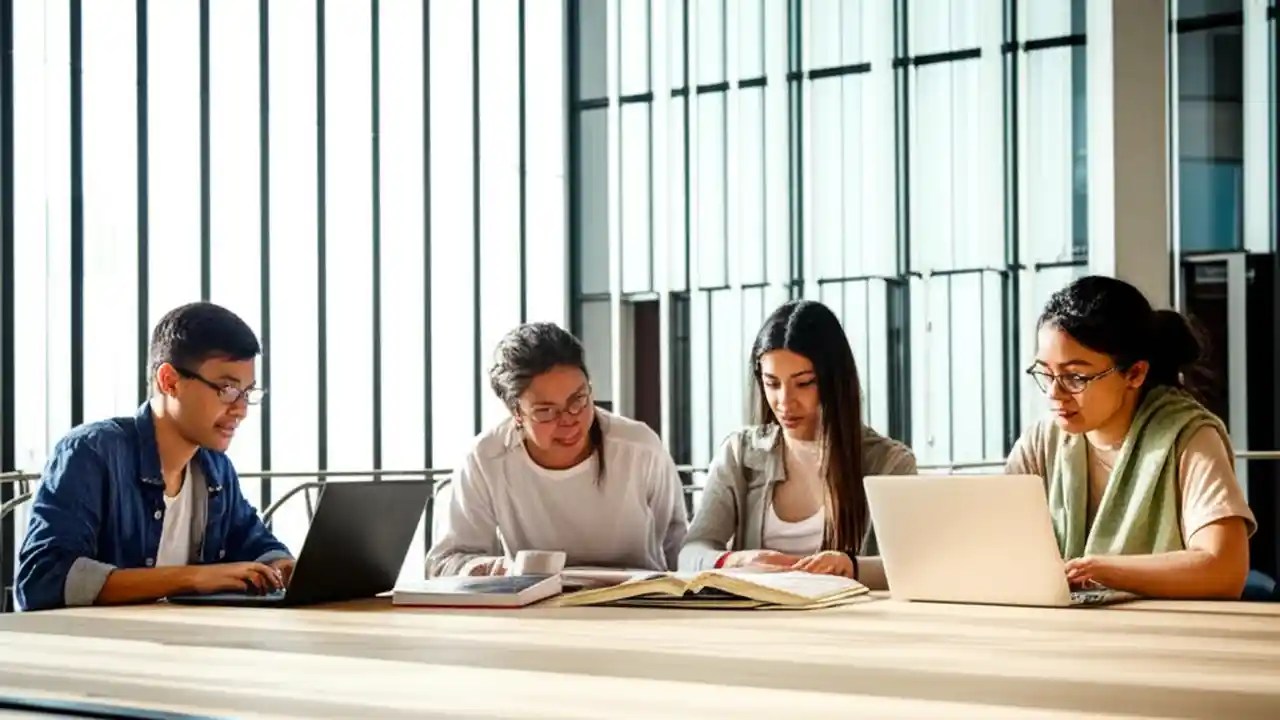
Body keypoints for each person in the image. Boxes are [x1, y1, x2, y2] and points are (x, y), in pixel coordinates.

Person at [16, 303, 292, 611]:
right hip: (95, 649)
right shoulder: (91, 453)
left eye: (248, 393)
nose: (240, 409)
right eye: (227, 389)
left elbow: (254, 543)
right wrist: (192, 578)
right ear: (169, 381)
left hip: (186, 646)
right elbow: (42, 580)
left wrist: (285, 566)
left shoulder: (215, 468)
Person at [1007, 275, 1255, 599]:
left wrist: (1101, 571)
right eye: (1045, 373)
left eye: (1075, 377)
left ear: (1135, 373)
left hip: (1162, 635)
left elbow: (1224, 569)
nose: (1055, 393)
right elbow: (997, 546)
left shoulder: (1187, 438)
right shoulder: (1042, 440)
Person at [679, 299, 916, 587]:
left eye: (804, 383)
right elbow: (690, 555)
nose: (784, 402)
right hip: (757, 621)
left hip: (850, 623)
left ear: (834, 381)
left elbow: (914, 566)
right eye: (771, 383)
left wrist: (850, 567)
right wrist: (735, 561)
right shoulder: (740, 454)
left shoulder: (889, 463)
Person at [426, 322, 687, 576]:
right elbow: (446, 561)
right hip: (534, 608)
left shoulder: (639, 448)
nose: (569, 420)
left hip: (640, 606)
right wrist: (492, 569)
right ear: (516, 412)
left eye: (579, 400)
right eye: (546, 411)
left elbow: (677, 546)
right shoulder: (485, 459)